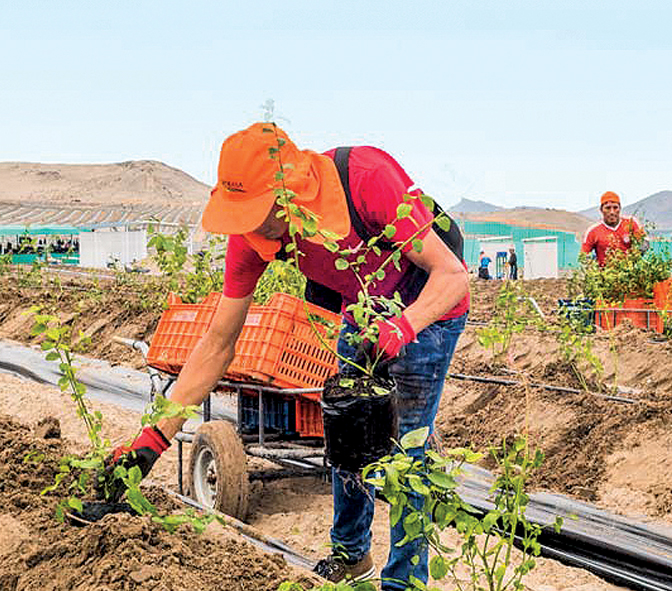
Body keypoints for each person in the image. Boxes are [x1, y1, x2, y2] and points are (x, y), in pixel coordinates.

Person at [104, 123, 470, 590]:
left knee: (408, 451)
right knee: (347, 432)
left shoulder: (366, 178)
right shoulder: (252, 236)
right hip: (364, 313)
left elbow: (452, 276)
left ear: (291, 191)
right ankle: (351, 556)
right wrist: (153, 439)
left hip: (429, 310)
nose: (249, 228)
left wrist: (404, 326)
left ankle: (405, 581)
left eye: (257, 212)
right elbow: (218, 343)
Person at [581, 191, 646, 266]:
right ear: (601, 210)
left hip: (630, 273)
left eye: (615, 208)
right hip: (605, 275)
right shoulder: (593, 231)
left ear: (620, 208)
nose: (612, 212)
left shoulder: (631, 223)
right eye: (608, 208)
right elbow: (583, 256)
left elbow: (644, 242)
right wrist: (593, 267)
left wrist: (634, 258)